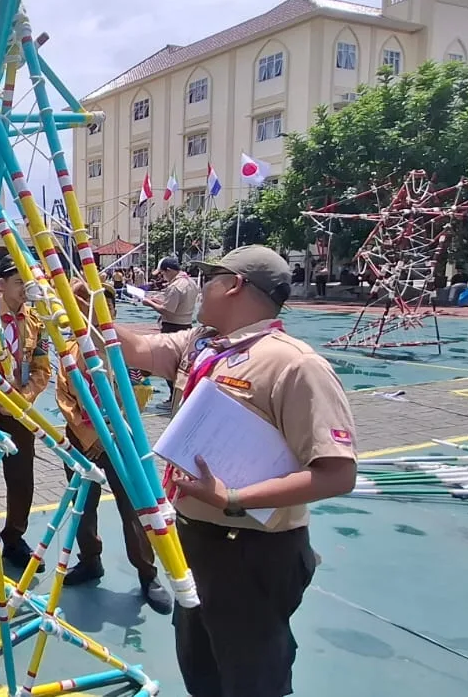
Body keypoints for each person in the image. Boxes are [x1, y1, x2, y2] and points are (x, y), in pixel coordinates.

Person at [112, 245, 357, 697]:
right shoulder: (201, 344)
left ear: (233, 284)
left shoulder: (294, 364)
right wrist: (80, 301)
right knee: (200, 666)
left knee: (251, 677)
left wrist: (233, 498)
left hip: (252, 550)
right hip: (196, 540)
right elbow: (139, 348)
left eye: (211, 277)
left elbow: (337, 473)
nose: (199, 286)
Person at [57, 285, 173, 614]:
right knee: (83, 507)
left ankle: (147, 574)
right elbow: (64, 398)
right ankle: (90, 560)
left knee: (134, 509)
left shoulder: (127, 354)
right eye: (88, 309)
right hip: (82, 442)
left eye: (105, 308)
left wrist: (111, 430)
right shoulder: (68, 352)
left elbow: (140, 392)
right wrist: (89, 435)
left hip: (122, 441)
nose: (96, 316)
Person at [0, 256, 52, 566]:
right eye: (18, 282)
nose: (25, 288)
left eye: (27, 281)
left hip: (21, 410)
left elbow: (41, 366)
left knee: (22, 478)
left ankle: (14, 536)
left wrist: (25, 397)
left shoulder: (35, 322)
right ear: (1, 284)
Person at [140, 257, 199, 412]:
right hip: (186, 325)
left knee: (168, 364)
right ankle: (179, 397)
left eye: (163, 273)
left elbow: (168, 311)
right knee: (183, 365)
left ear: (169, 271)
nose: (162, 277)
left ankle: (173, 398)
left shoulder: (175, 287)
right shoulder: (190, 283)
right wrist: (158, 301)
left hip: (172, 327)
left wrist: (150, 303)